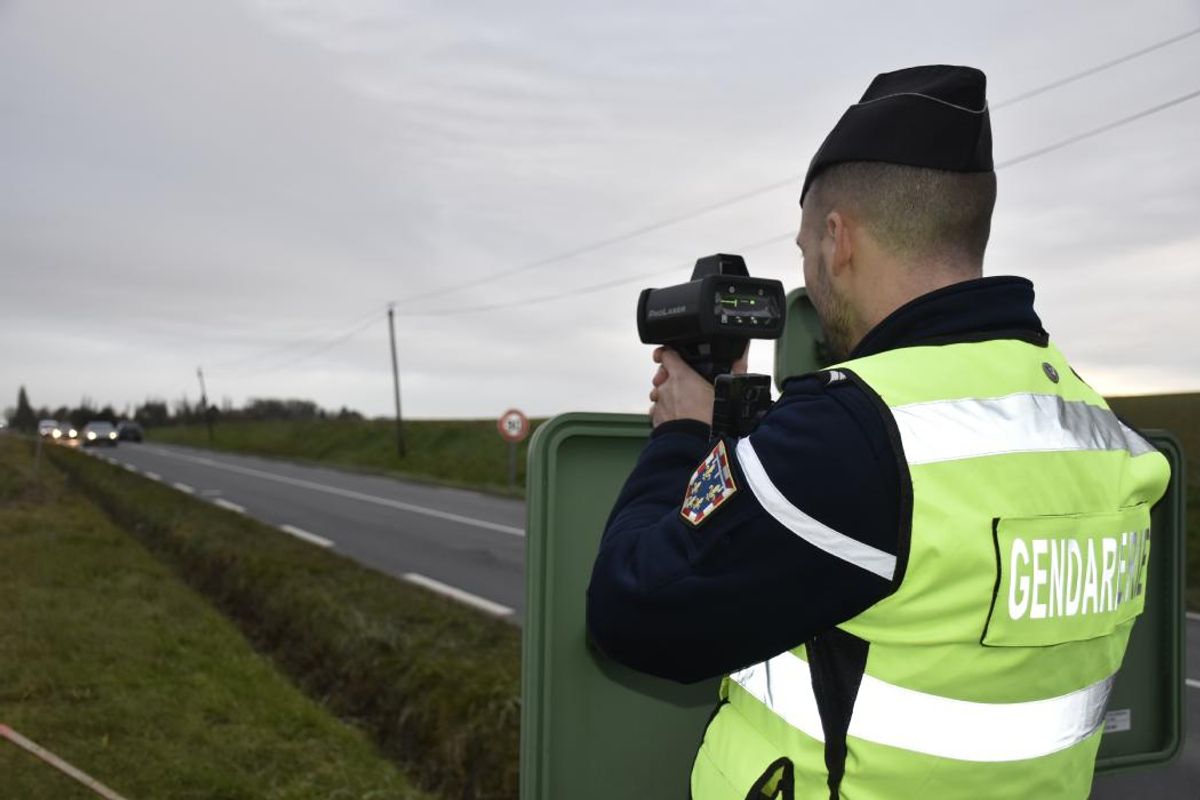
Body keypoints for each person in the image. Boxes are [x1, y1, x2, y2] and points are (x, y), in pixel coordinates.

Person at [586, 65, 1171, 799]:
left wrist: (682, 435)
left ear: (838, 240)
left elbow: (633, 611)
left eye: (805, 249)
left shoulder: (857, 436)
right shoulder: (1095, 427)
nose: (810, 269)